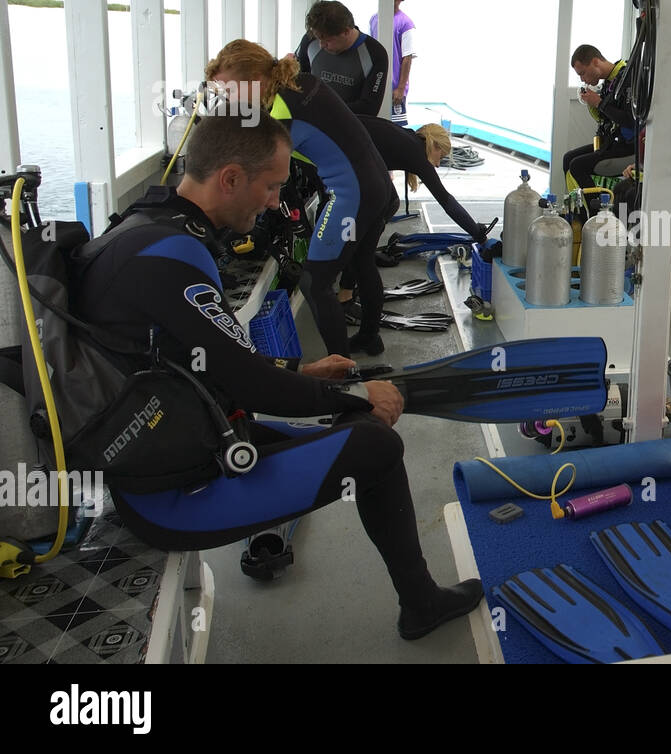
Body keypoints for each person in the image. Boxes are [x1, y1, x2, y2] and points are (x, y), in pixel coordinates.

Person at [74, 114, 482, 639]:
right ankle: (422, 603)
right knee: (376, 446)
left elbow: (208, 360)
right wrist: (357, 395)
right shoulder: (172, 255)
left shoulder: (145, 229)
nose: (274, 202)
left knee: (364, 438)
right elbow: (251, 386)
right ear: (230, 179)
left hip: (180, 446)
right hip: (169, 496)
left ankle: (420, 600)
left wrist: (301, 369)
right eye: (270, 186)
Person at [206, 40, 398, 358]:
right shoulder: (300, 83)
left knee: (314, 283)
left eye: (230, 92)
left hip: (353, 193)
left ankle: (342, 374)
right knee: (361, 261)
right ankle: (369, 337)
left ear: (254, 79)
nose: (228, 101)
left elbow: (265, 170)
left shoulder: (283, 111)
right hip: (377, 185)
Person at [566, 45, 635, 204]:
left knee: (577, 166)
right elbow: (606, 119)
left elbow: (630, 121)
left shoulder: (627, 79)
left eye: (583, 73)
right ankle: (579, 211)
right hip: (611, 144)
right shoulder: (610, 82)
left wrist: (599, 103)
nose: (583, 79)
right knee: (568, 158)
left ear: (596, 62)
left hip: (628, 149)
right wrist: (593, 104)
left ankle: (596, 216)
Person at [295, 0, 389, 117]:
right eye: (319, 38)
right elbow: (297, 85)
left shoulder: (374, 53)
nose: (321, 45)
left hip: (351, 128)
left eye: (327, 40)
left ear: (346, 31)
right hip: (313, 125)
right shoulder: (309, 40)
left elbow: (369, 108)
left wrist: (320, 109)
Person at [369, 0, 415, 117]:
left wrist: (400, 88)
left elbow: (407, 57)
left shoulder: (406, 23)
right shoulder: (374, 19)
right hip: (377, 84)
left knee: (395, 130)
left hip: (395, 88)